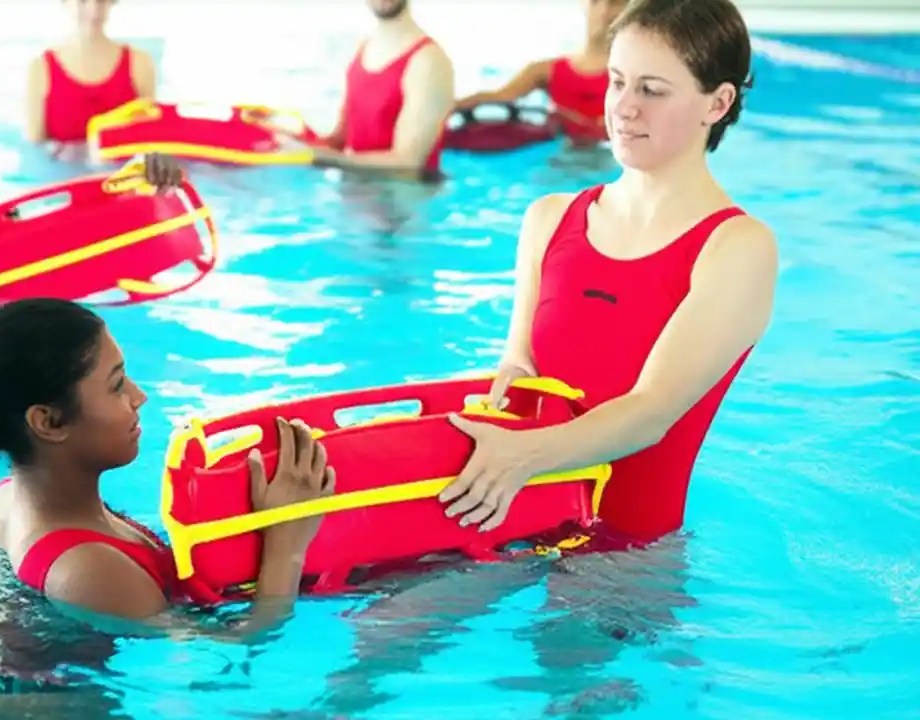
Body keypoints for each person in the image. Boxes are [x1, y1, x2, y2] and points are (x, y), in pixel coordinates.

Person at [440, 0, 776, 545]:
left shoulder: (737, 247)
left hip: (623, 564)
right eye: (617, 81)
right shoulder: (548, 221)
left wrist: (521, 456)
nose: (623, 108)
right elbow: (518, 369)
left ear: (717, 103)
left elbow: (650, 415)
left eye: (652, 89)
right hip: (509, 516)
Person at [0, 298, 338, 621]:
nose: (140, 397)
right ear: (48, 422)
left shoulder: (5, 500)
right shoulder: (90, 570)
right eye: (117, 385)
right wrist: (286, 546)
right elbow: (234, 671)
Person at [311, 0, 456, 182]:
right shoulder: (362, 48)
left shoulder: (429, 62)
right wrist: (289, 143)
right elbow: (340, 140)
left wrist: (330, 160)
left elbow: (408, 163)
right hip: (355, 196)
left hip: (403, 204)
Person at [453, 0, 629, 145]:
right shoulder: (546, 70)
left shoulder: (632, 76)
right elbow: (499, 97)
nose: (604, 10)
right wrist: (446, 107)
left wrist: (565, 117)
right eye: (596, 2)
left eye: (615, 3)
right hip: (558, 156)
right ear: (583, 4)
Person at [23, 0, 157, 146]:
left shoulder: (140, 64)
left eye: (100, 1)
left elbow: (152, 140)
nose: (94, 11)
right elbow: (35, 149)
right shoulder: (40, 69)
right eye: (83, 1)